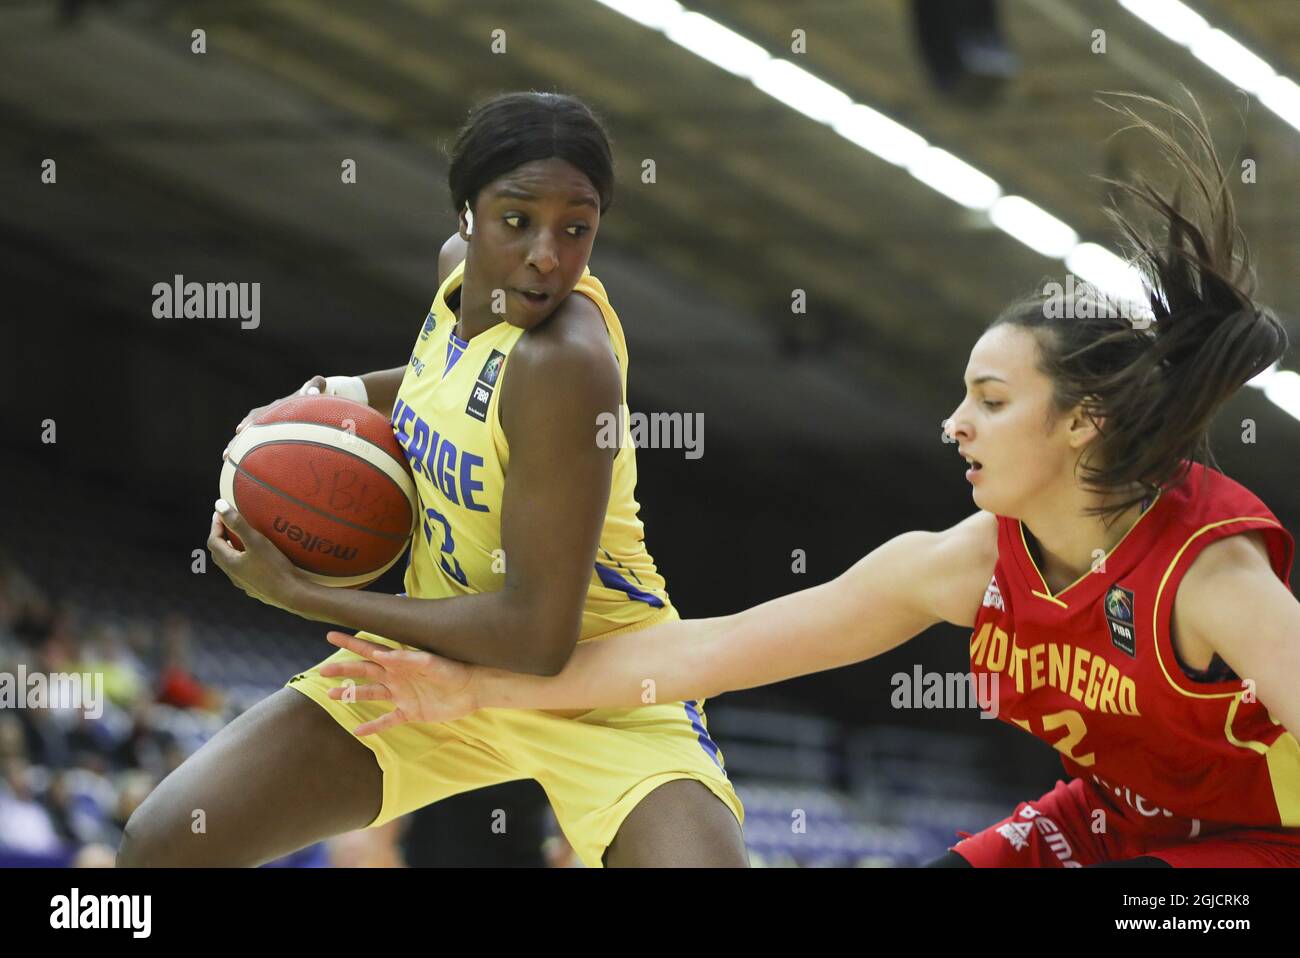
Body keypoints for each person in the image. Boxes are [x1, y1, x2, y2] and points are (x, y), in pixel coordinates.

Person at [314, 95, 1300, 868]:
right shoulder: (958, 565)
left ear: (1082, 422)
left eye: (990, 401)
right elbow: (710, 652)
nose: (954, 424)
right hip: (1108, 826)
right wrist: (473, 690)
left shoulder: (1212, 584)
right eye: (961, 396)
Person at [117, 92, 746, 868]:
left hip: (599, 686)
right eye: (517, 220)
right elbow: (435, 381)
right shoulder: (459, 285)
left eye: (576, 228)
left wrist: (300, 594)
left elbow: (536, 638)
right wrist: (340, 396)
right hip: (427, 669)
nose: (547, 253)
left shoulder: (566, 364)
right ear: (465, 216)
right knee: (163, 846)